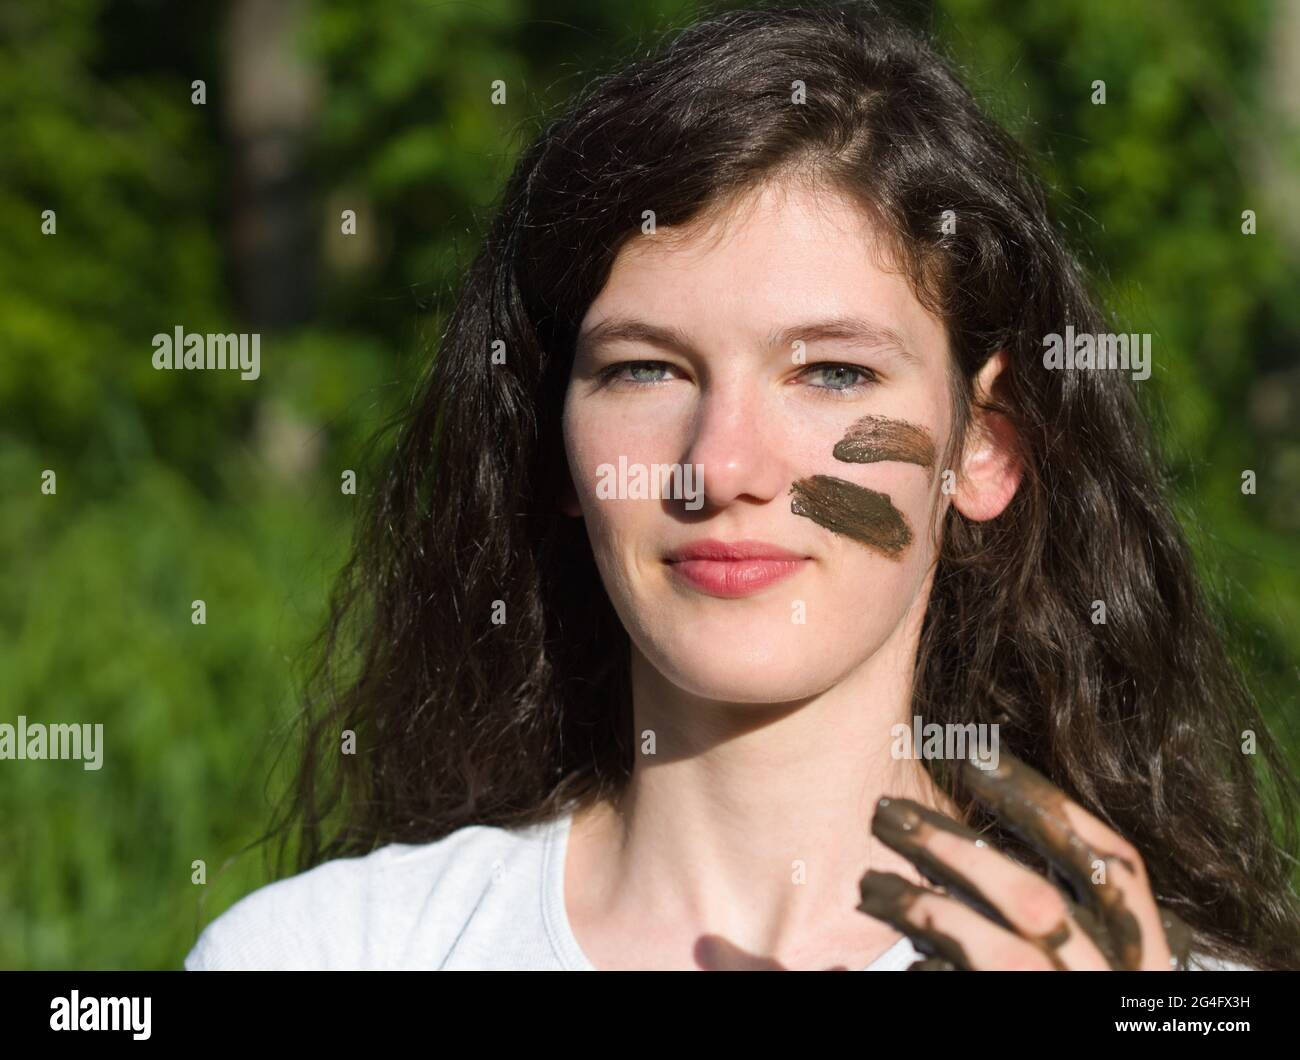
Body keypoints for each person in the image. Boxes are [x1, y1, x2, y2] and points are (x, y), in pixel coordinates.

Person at [185, 1, 1300, 971]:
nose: (719, 466)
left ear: (986, 448)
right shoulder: (324, 951)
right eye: (644, 369)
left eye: (831, 372)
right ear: (556, 445)